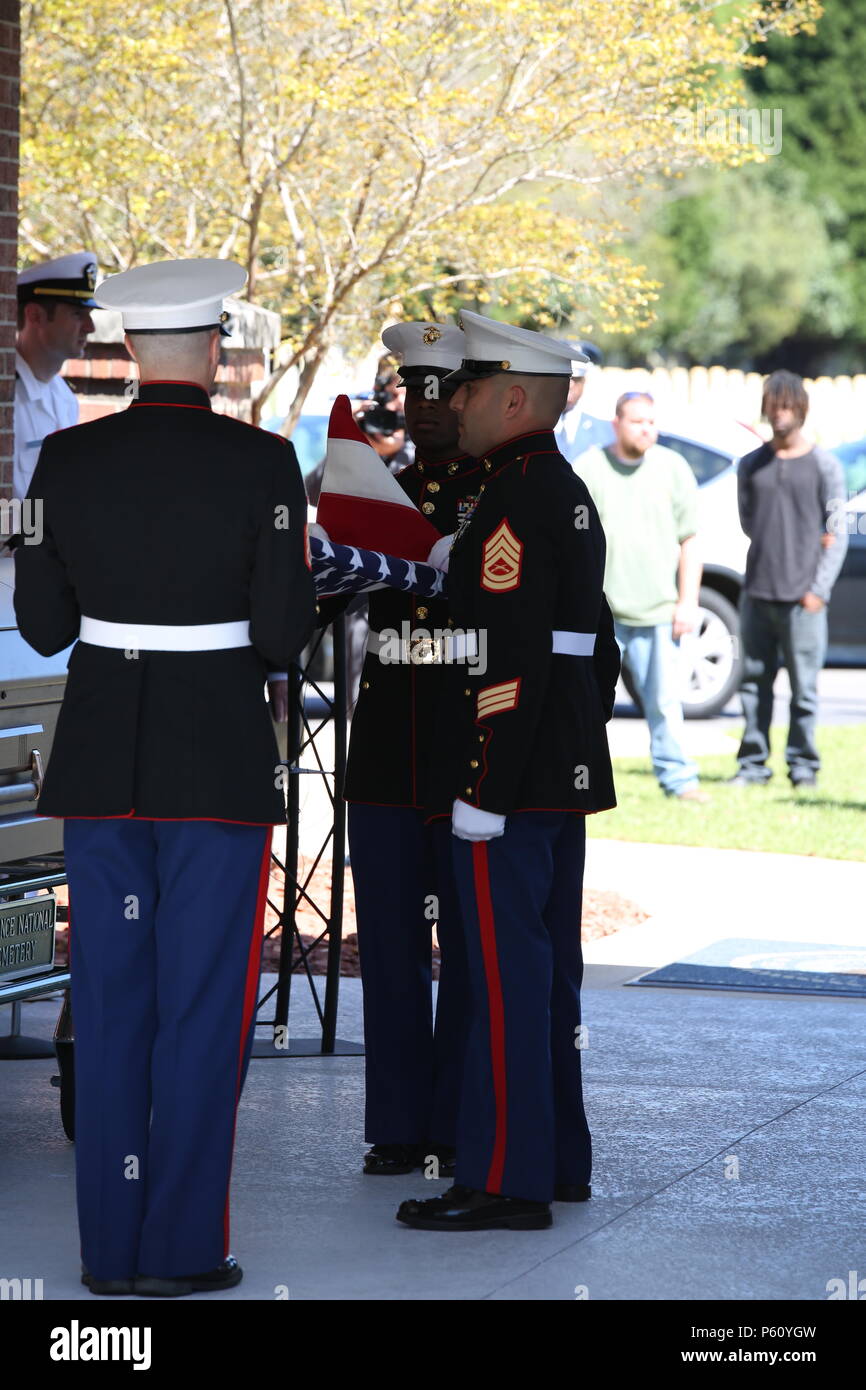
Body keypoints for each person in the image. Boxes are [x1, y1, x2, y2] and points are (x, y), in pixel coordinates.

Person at [13, 258, 317, 1297]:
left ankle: (108, 1254)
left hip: (102, 759)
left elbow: (46, 624)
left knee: (108, 1005)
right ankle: (179, 1249)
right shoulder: (266, 461)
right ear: (216, 349)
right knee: (199, 1007)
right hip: (217, 760)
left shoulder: (62, 457)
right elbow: (280, 635)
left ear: (130, 350)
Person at [396, 309, 619, 1232]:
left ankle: (500, 1180)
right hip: (553, 775)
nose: (462, 400)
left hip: (511, 786)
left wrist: (483, 790)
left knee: (500, 984)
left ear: (516, 397)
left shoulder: (514, 495)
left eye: (475, 387)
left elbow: (510, 657)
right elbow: (592, 655)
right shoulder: (557, 488)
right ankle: (555, 1161)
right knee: (544, 979)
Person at [320, 321, 476, 1177]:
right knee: (388, 943)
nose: (422, 409)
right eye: (410, 391)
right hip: (386, 744)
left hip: (461, 745)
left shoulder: (496, 497)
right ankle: (396, 1122)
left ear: (467, 397)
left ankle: (454, 1120)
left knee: (463, 942)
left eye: (438, 391)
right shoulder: (377, 495)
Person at [574, 391, 708, 802]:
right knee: (587, 705)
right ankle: (580, 780)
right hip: (603, 615)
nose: (647, 428)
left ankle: (679, 781)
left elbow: (691, 541)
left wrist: (687, 602)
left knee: (665, 705)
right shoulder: (590, 468)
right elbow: (573, 545)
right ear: (616, 423)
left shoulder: (674, 468)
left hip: (658, 612)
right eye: (637, 421)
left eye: (651, 421)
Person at [730, 370, 847, 789]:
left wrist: (818, 590)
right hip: (757, 593)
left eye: (787, 405)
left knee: (804, 692)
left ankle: (803, 767)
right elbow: (749, 523)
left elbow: (838, 534)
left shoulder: (825, 466)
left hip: (804, 602)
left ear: (801, 409)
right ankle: (753, 765)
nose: (779, 414)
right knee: (752, 686)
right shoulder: (751, 465)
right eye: (773, 405)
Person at [13, 252, 100, 502]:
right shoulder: (7, 397)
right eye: (77, 314)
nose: (90, 327)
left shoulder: (63, 396)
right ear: (35, 316)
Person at [554, 341, 613, 462]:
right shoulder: (533, 423)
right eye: (564, 377)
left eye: (576, 379)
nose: (570, 385)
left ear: (584, 381)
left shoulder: (604, 430)